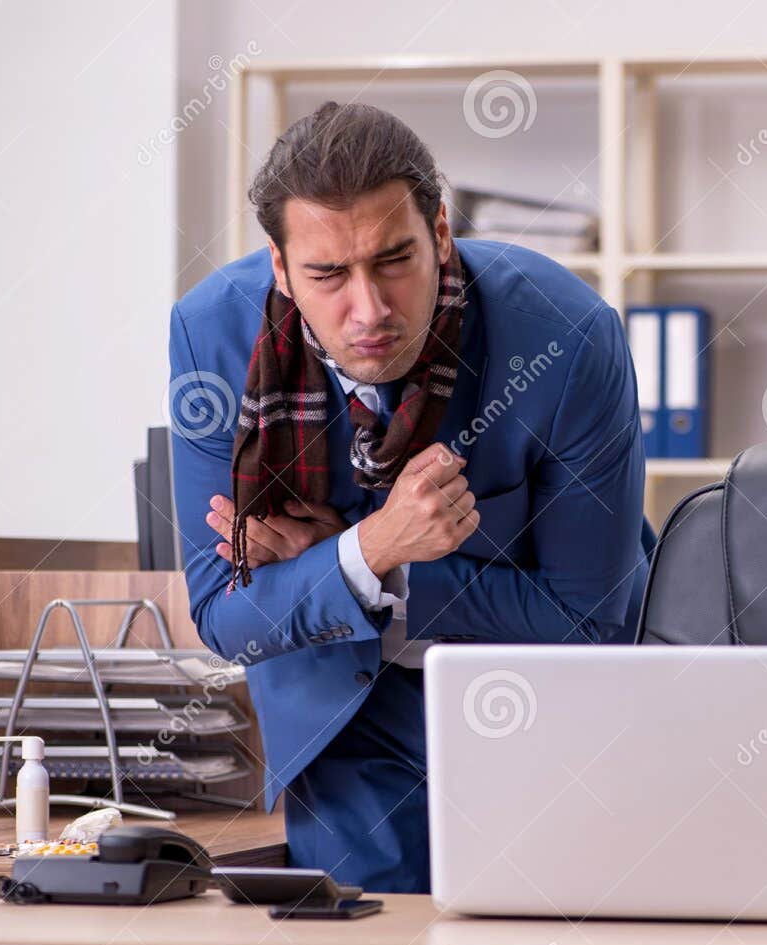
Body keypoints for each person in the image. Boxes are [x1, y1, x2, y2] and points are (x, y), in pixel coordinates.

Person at [167, 101, 649, 892]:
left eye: (395, 259)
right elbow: (226, 614)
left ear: (441, 235)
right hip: (341, 706)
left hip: (543, 702)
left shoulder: (567, 336)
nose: (371, 310)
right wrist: (375, 547)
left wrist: (350, 568)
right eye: (327, 275)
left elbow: (591, 619)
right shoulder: (212, 332)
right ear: (281, 270)